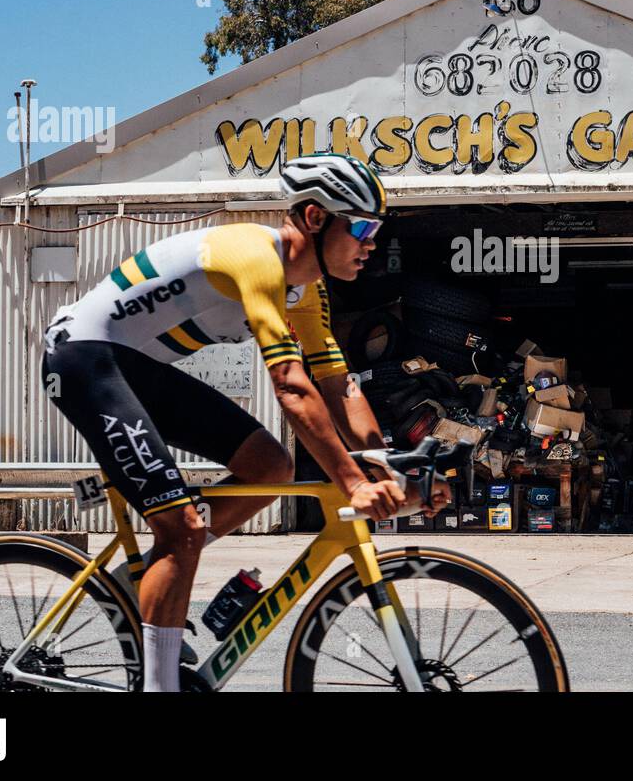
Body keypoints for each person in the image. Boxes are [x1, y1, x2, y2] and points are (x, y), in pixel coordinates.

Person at [42, 153, 450, 692]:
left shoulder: (305, 290)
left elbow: (338, 385)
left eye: (375, 229)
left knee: (270, 466)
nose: (371, 243)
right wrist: (352, 480)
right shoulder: (257, 258)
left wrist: (387, 465)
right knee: (181, 529)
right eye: (361, 226)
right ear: (312, 217)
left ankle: (137, 582)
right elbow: (291, 386)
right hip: (82, 359)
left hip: (133, 367)